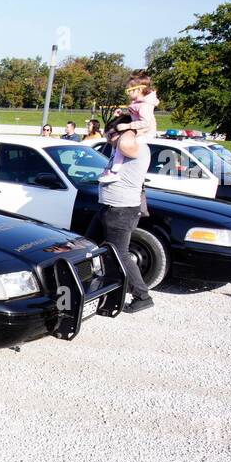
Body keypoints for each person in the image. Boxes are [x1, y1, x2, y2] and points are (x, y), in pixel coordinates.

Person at [91, 113, 153, 313]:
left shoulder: (134, 148)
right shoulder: (119, 150)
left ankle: (142, 296)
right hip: (109, 207)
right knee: (89, 245)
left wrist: (127, 127)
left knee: (120, 255)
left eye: (111, 134)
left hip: (121, 210)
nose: (108, 139)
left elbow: (126, 141)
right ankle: (96, 289)